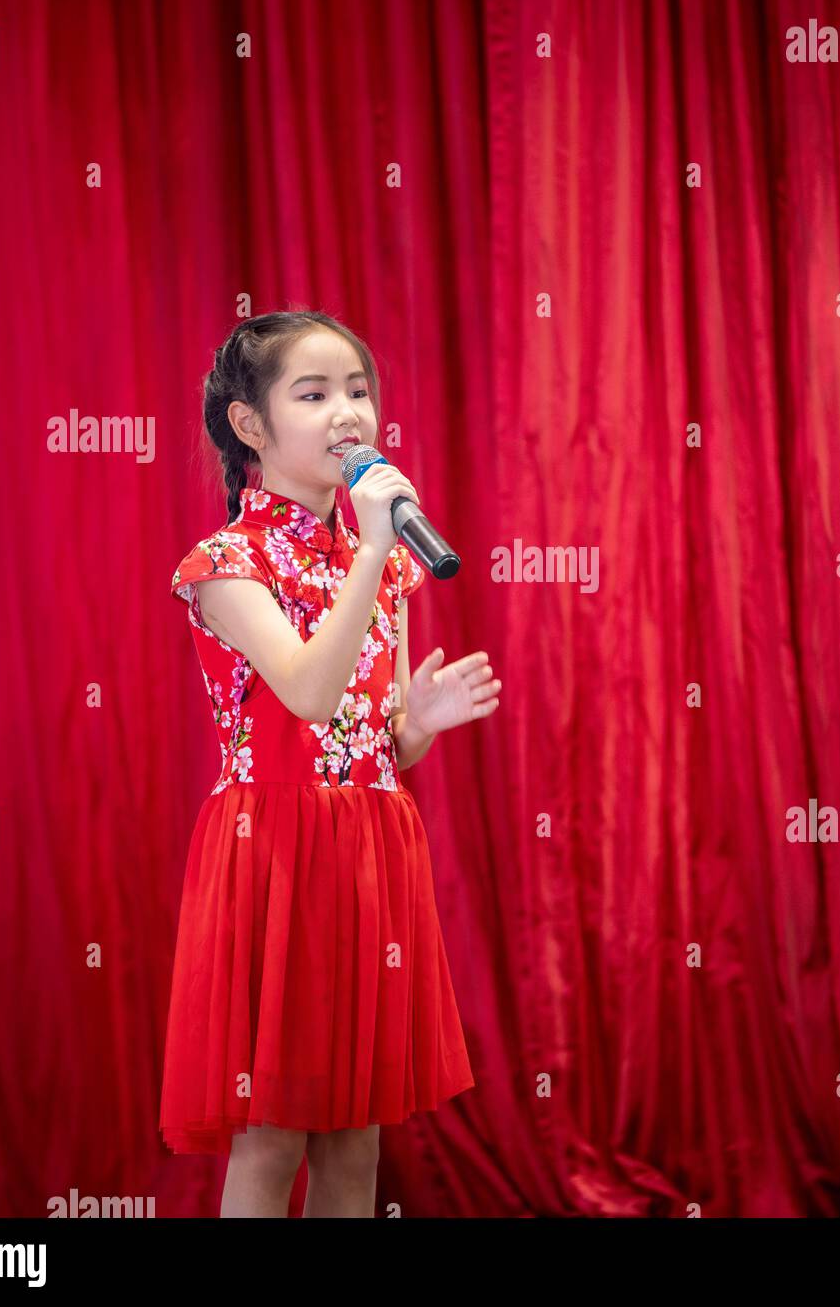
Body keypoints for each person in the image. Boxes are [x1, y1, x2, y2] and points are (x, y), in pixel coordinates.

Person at [158, 310, 499, 1216]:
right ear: (251, 426)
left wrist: (414, 725)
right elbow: (308, 692)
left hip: (369, 856)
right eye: (313, 394)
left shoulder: (383, 568)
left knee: (356, 1143)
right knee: (272, 1140)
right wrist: (379, 545)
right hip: (271, 853)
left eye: (357, 391)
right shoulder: (224, 563)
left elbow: (366, 738)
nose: (348, 412)